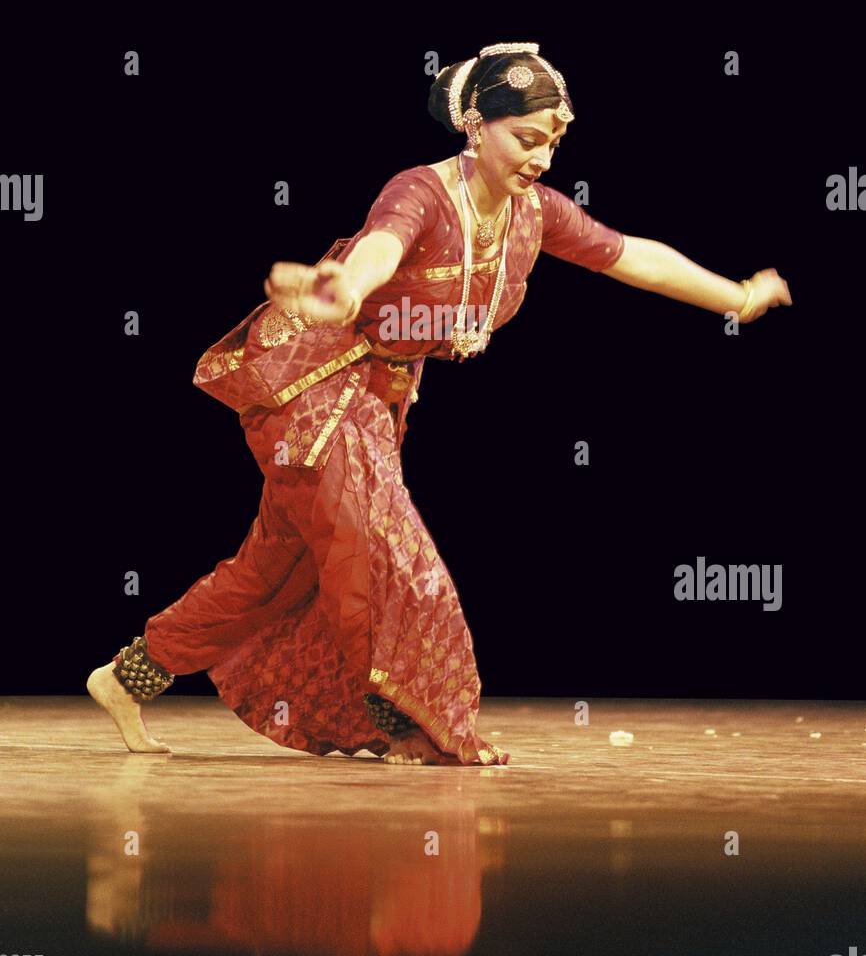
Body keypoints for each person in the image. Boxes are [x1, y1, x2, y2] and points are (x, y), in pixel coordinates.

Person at [86, 42, 792, 765]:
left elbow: (631, 255)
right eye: (526, 139)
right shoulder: (420, 193)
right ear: (476, 125)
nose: (543, 159)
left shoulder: (535, 215)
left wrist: (734, 297)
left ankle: (128, 676)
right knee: (392, 554)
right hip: (315, 384)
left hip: (379, 397)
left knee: (275, 568)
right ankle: (421, 726)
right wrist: (344, 292)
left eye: (554, 142)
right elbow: (378, 252)